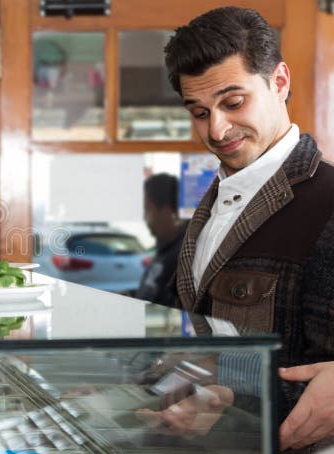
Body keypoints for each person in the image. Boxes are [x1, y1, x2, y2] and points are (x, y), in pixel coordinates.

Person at [163, 6, 334, 451]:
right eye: (199, 111)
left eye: (233, 103)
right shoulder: (214, 203)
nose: (217, 129)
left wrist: (225, 403)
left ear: (279, 82)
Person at [135, 173, 186, 308]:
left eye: (148, 210)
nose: (146, 219)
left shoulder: (183, 258)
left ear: (166, 211)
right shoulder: (166, 250)